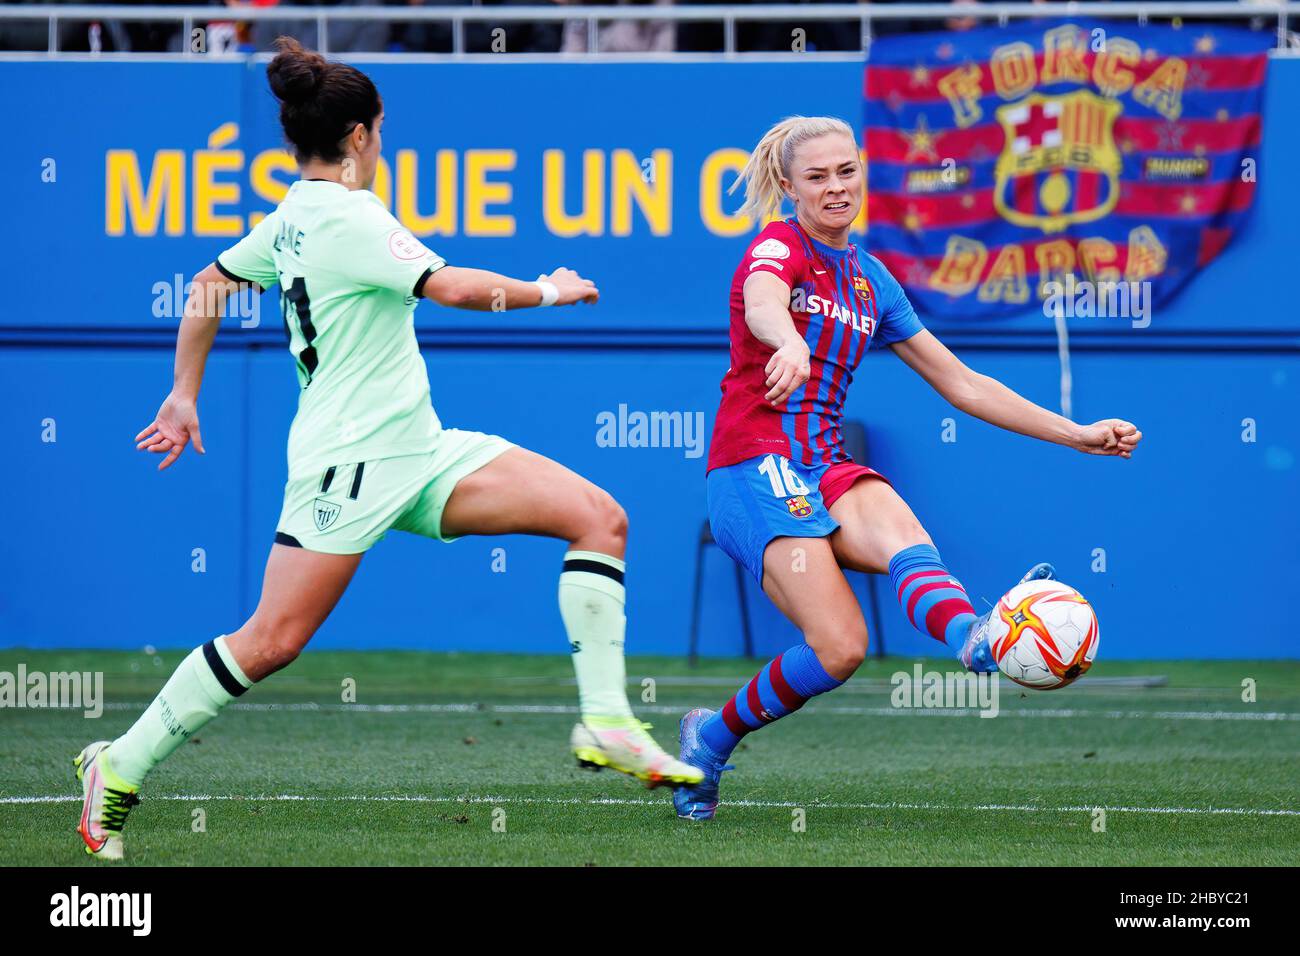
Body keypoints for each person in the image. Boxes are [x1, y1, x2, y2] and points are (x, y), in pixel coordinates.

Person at [74, 37, 699, 861]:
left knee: (598, 518)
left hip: (421, 449)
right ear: (362, 134)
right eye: (383, 128)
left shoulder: (292, 216)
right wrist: (553, 289)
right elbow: (453, 287)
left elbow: (207, 283)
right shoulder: (348, 217)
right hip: (348, 463)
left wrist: (184, 392)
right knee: (270, 641)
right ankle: (118, 763)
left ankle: (609, 722)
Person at [673, 116, 1142, 820]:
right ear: (788, 186)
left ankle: (976, 641)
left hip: (823, 465)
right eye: (818, 176)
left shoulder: (871, 281)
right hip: (753, 467)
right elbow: (765, 301)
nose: (836, 188)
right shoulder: (776, 247)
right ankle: (708, 744)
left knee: (895, 522)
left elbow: (964, 385)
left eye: (846, 171)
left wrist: (1074, 433)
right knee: (840, 648)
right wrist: (787, 343)